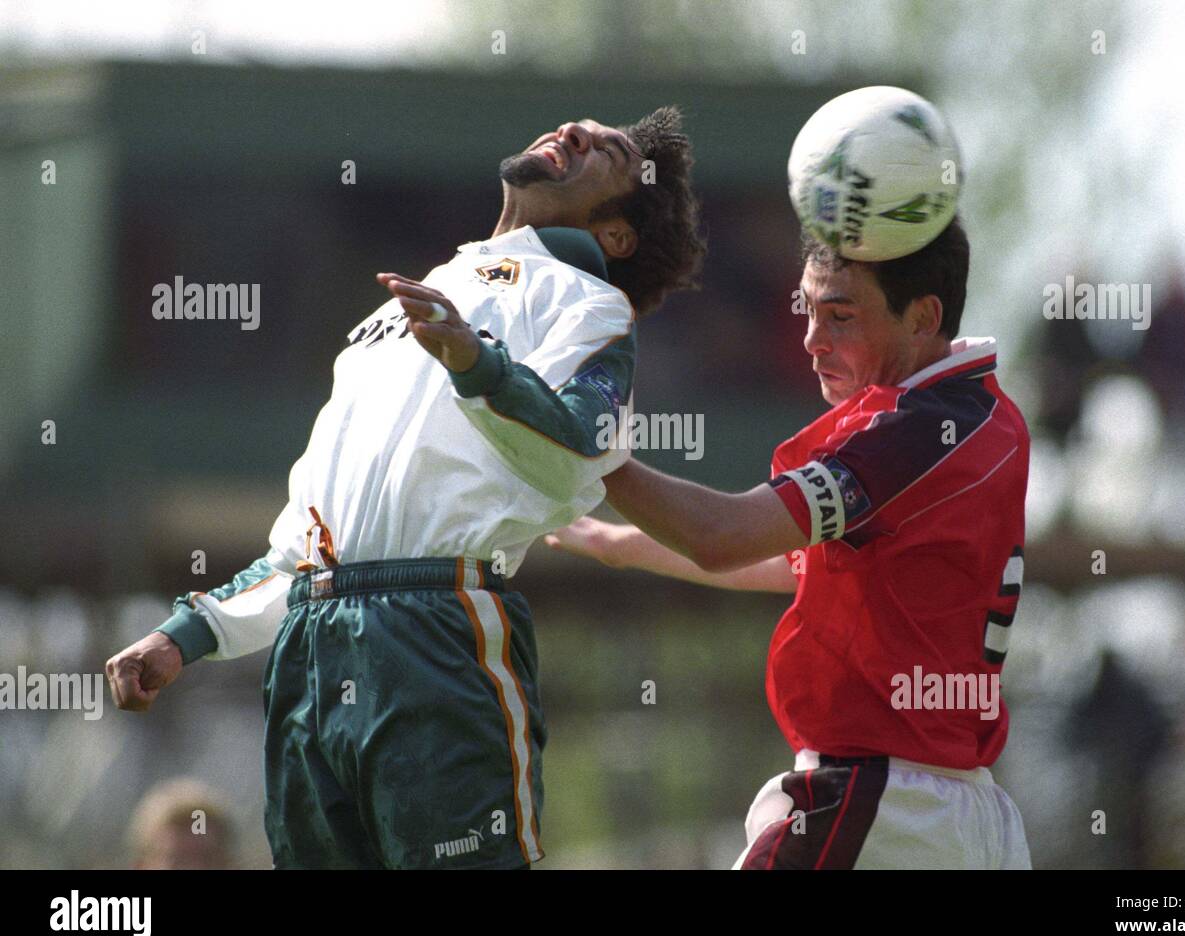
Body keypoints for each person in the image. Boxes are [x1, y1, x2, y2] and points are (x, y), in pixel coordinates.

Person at [105, 107, 706, 869]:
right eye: (573, 126)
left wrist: (474, 363)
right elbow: (304, 543)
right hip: (310, 648)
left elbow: (579, 449)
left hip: (438, 636)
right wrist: (185, 635)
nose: (574, 133)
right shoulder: (399, 308)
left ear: (617, 236)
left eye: (608, 150)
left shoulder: (588, 304)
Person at [548, 218, 1033, 869]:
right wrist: (623, 544)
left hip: (882, 808)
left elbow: (722, 535)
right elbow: (792, 563)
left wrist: (585, 447)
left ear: (922, 318)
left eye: (841, 316)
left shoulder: (909, 435)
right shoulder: (985, 417)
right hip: (966, 814)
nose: (811, 340)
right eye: (808, 312)